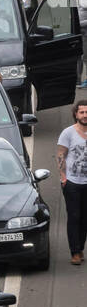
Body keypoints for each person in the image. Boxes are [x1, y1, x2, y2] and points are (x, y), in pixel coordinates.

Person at [56, 99, 87, 265]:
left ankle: (80, 247)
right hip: (73, 183)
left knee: (84, 218)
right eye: (81, 112)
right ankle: (74, 252)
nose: (85, 115)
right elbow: (61, 154)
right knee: (74, 216)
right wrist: (63, 178)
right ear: (76, 114)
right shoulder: (68, 133)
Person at [77, 0, 87, 86]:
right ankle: (77, 79)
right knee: (78, 55)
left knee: (85, 57)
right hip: (81, 31)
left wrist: (79, 24)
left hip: (85, 32)